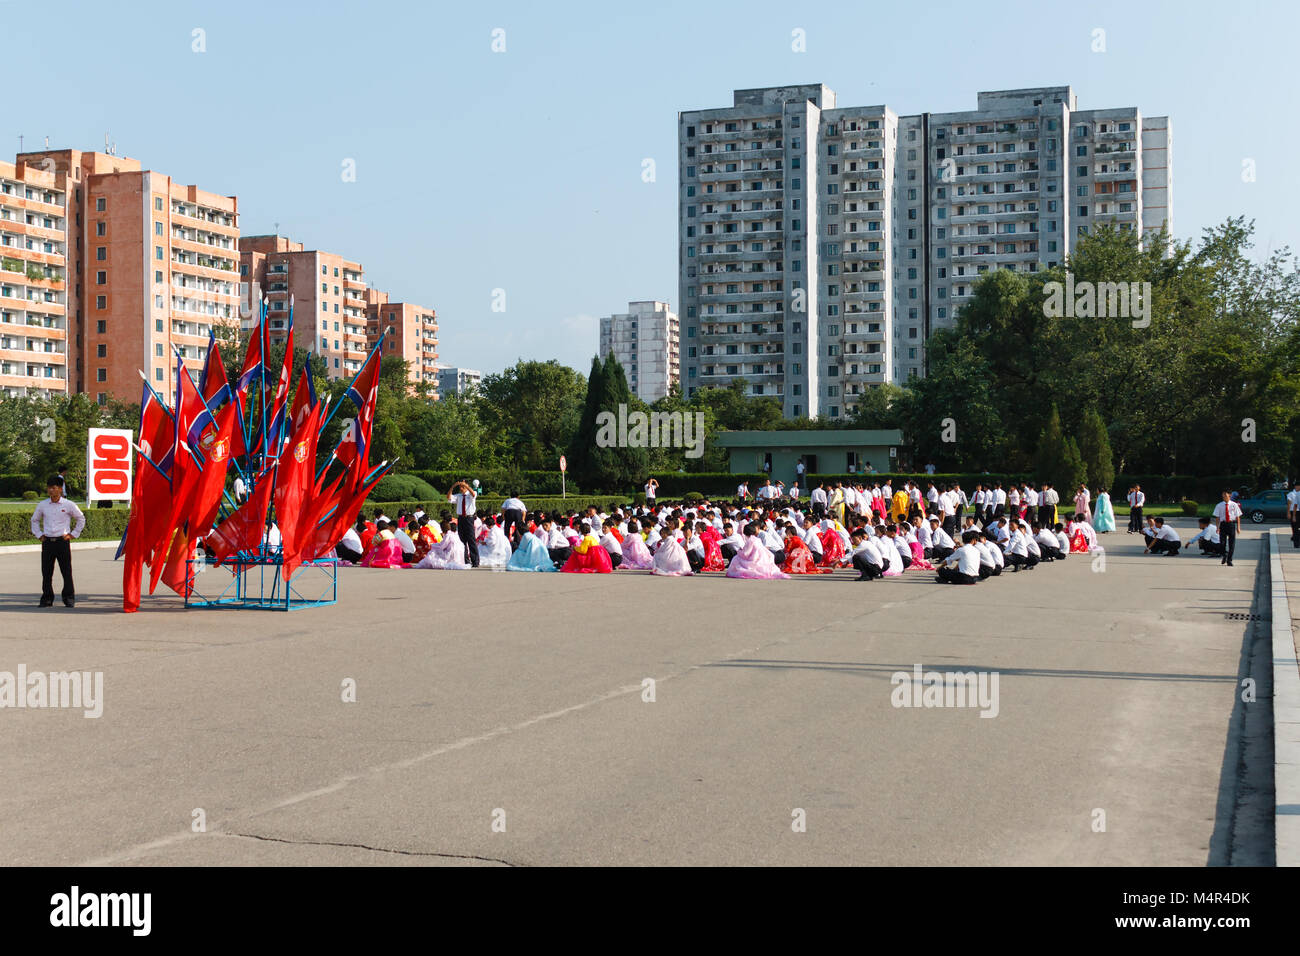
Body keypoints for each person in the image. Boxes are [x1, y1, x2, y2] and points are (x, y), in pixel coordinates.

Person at [31, 476, 85, 607]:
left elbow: (81, 518)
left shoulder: (69, 505)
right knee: (46, 572)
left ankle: (69, 598)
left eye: (54, 488)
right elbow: (35, 520)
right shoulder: (43, 505)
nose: (51, 490)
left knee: (66, 571)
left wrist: (73, 535)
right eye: (49, 488)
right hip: (48, 542)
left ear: (60, 489)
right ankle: (47, 598)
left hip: (62, 542)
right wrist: (39, 535)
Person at [725, 524, 789, 580]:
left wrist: (739, 552)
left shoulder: (750, 540)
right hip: (763, 558)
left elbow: (746, 553)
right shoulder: (756, 539)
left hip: (756, 559)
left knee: (736, 558)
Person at [447, 480, 480, 568]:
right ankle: (465, 560)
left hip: (469, 518)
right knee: (462, 540)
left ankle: (475, 561)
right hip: (461, 518)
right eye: (460, 487)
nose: (461, 488)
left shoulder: (471, 494)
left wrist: (466, 485)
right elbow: (449, 497)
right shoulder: (459, 496)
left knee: (471, 540)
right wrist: (453, 486)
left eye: (463, 487)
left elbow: (473, 494)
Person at [1212, 491, 1242, 567]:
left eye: (1225, 495)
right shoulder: (1219, 505)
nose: (1224, 496)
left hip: (1231, 524)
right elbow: (1217, 517)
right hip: (1223, 524)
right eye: (1223, 495)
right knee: (1222, 543)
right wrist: (1217, 527)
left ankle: (1229, 560)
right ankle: (1224, 554)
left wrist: (1238, 527)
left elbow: (1238, 516)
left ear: (1229, 495)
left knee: (1232, 544)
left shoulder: (1234, 505)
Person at [1288, 480, 1300, 549]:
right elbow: (1293, 505)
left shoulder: (1297, 494)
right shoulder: (1293, 494)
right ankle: (1296, 541)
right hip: (1296, 512)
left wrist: (1294, 516)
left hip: (1296, 512)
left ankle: (1296, 543)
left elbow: (1295, 505)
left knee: (1295, 529)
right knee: (1295, 528)